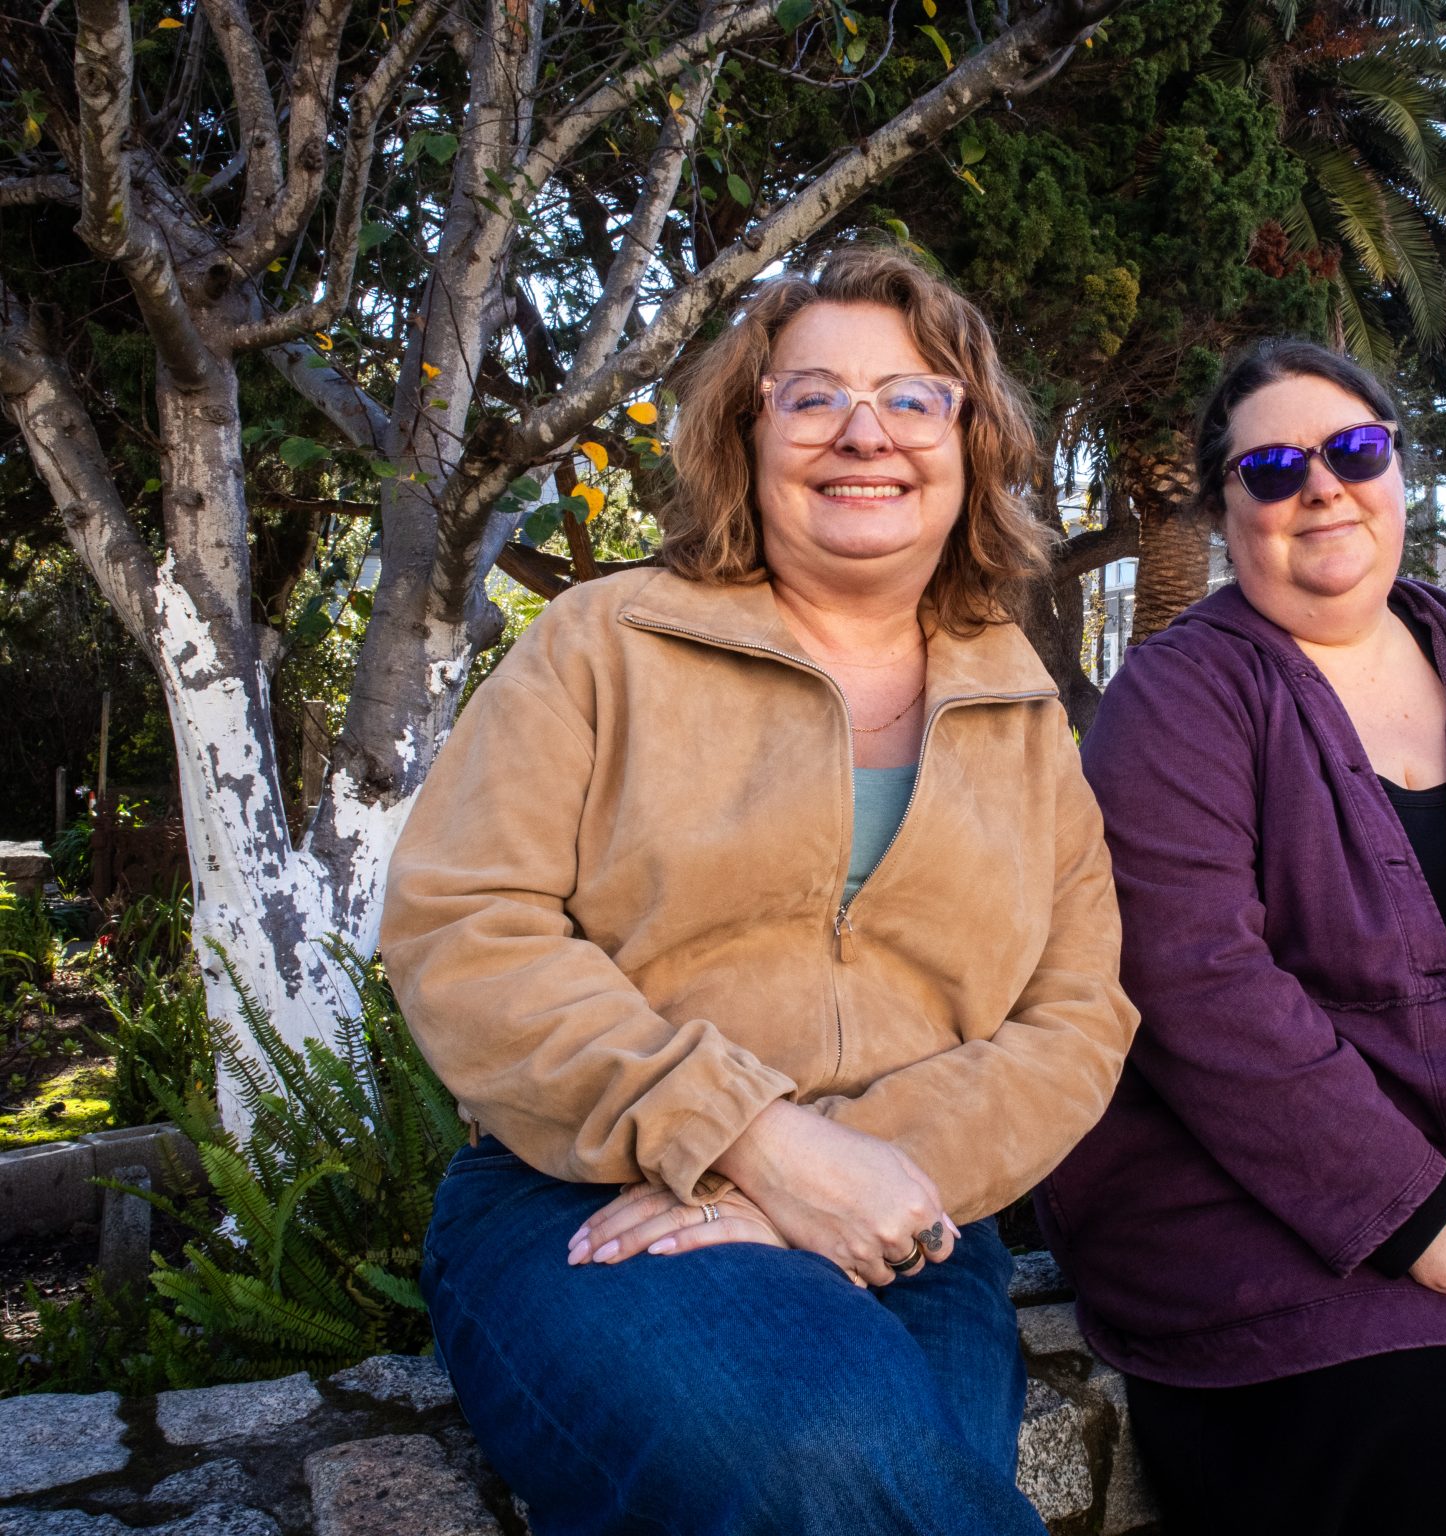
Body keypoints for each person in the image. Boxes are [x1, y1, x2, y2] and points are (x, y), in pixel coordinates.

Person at [380, 245, 1138, 1536]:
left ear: (971, 444)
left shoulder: (1023, 712)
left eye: (914, 398)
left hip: (912, 1227)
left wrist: (862, 1176)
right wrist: (753, 1144)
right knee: (826, 1457)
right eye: (814, 396)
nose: (866, 432)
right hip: (589, 1201)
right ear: (750, 431)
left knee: (886, 1466)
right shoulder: (603, 642)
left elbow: (1077, 1022)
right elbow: (465, 926)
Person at [1040, 338, 1446, 1536]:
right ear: (1223, 511)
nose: (1320, 486)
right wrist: (1409, 1209)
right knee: (1444, 1444)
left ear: (1400, 471)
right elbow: (1195, 974)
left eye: (1353, 450)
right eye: (1271, 468)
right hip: (1235, 1197)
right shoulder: (1177, 701)